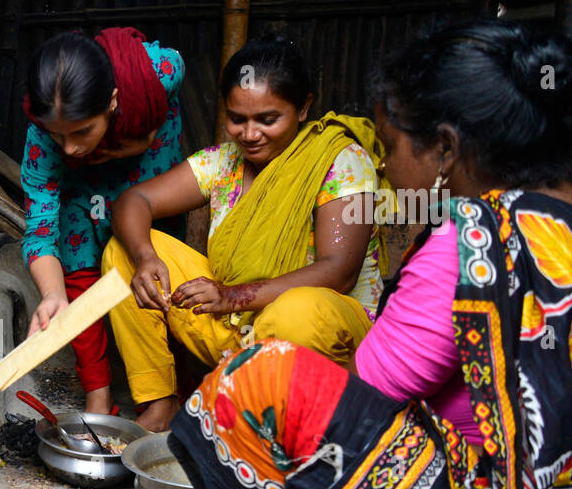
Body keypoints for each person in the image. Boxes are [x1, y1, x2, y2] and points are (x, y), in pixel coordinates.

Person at [171, 19, 572, 489]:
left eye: (391, 144)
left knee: (258, 381)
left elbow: (356, 412)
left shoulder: (471, 245)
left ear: (446, 150)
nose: (385, 164)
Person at [103, 34, 387, 432]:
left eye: (268, 120)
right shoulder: (224, 162)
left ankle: (254, 418)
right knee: (122, 253)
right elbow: (135, 201)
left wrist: (232, 296)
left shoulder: (340, 160)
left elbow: (339, 271)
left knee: (296, 313)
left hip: (315, 332)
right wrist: (146, 257)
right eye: (237, 118)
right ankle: (160, 403)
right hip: (236, 323)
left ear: (303, 106)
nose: (249, 134)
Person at [21, 28, 186, 415]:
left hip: (149, 172)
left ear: (113, 101)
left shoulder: (158, 73)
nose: (70, 148)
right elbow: (41, 230)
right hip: (84, 188)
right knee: (79, 273)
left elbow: (177, 61)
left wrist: (147, 135)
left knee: (155, 272)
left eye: (81, 131)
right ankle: (98, 393)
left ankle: (169, 389)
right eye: (57, 135)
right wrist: (52, 294)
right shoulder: (43, 141)